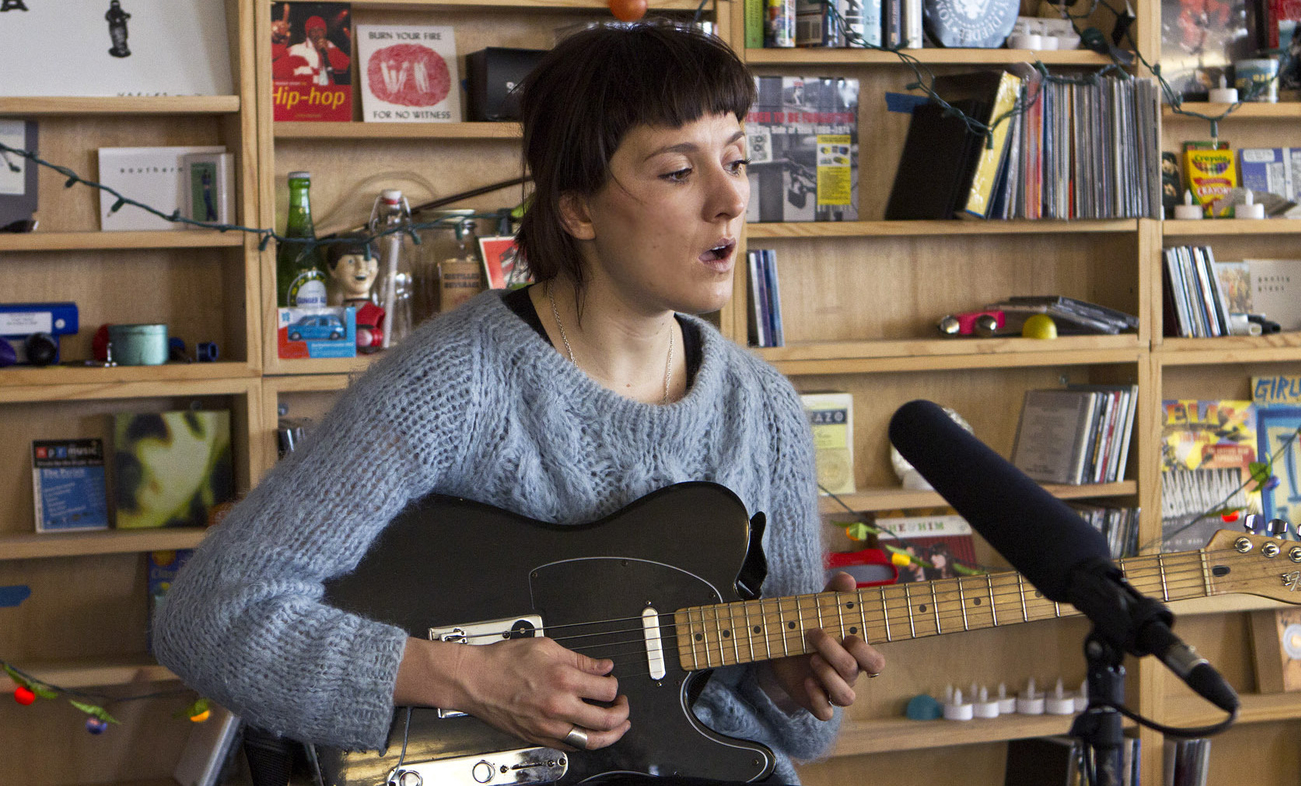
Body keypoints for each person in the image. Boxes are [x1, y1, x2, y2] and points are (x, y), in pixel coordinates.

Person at [153, 22, 883, 786]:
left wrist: (788, 681)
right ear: (579, 209)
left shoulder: (763, 407)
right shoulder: (453, 382)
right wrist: (472, 678)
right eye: (677, 171)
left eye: (736, 160)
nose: (731, 199)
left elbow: (787, 733)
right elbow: (210, 617)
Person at [326, 237, 385, 352]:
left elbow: (388, 337)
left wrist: (371, 337)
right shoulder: (333, 315)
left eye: (367, 261)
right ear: (332, 270)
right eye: (350, 261)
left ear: (377, 269)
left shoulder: (378, 313)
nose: (361, 268)